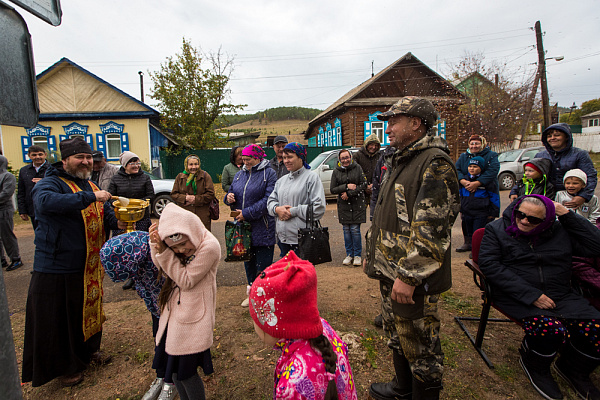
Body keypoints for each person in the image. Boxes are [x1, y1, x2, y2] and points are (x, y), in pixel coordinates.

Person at [363, 96, 460, 400]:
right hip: (393, 269)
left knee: (421, 344)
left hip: (412, 277)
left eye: (394, 121)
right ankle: (403, 388)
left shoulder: (434, 163)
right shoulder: (402, 157)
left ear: (415, 124)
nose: (387, 128)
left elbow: (433, 229)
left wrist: (409, 276)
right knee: (397, 332)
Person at [22, 137, 125, 387]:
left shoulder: (88, 183)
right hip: (56, 264)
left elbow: (105, 214)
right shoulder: (50, 183)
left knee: (86, 310)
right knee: (60, 318)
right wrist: (90, 197)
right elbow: (45, 204)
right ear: (65, 160)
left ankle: (89, 351)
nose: (86, 161)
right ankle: (65, 367)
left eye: (88, 157)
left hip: (88, 264)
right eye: (80, 157)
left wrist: (119, 221)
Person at [478, 195, 600, 400]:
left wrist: (567, 214)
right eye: (520, 215)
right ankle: (536, 365)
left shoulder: (561, 231)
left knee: (595, 328)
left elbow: (595, 246)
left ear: (549, 220)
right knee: (549, 329)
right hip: (516, 294)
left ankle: (574, 368)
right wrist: (531, 295)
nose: (525, 221)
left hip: (560, 293)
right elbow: (490, 265)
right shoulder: (497, 229)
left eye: (534, 219)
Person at [249, 251, 358, 400]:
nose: (253, 323)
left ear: (273, 326)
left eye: (254, 317)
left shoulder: (293, 387)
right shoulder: (323, 328)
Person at [149, 203, 220, 400]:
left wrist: (165, 253)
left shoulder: (209, 247)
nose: (181, 251)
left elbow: (186, 281)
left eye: (183, 245)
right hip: (175, 317)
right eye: (174, 248)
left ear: (191, 231)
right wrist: (156, 246)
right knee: (173, 373)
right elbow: (163, 269)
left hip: (193, 319)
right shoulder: (177, 247)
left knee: (186, 374)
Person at [99, 231, 175, 400]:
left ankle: (171, 380)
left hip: (172, 303)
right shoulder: (128, 258)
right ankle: (161, 376)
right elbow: (145, 287)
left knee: (172, 339)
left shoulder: (155, 258)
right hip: (157, 303)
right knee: (159, 335)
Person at [224, 144, 277, 307]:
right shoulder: (240, 174)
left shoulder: (269, 174)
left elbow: (268, 200)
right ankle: (252, 294)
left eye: (248, 160)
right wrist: (229, 198)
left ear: (258, 158)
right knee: (248, 261)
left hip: (263, 226)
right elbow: (231, 192)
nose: (244, 163)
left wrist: (246, 213)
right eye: (243, 160)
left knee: (263, 265)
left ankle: (264, 296)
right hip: (243, 227)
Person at [267, 142, 326, 256]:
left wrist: (293, 211)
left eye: (290, 157)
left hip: (302, 239)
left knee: (301, 274)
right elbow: (270, 202)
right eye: (284, 158)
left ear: (301, 158)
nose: (286, 161)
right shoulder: (281, 181)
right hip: (283, 240)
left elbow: (318, 208)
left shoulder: (312, 178)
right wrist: (277, 209)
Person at [536, 122, 597, 209]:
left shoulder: (580, 154)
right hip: (547, 200)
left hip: (571, 201)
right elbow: (529, 176)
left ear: (566, 137)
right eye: (549, 136)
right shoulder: (540, 156)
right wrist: (514, 191)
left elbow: (591, 176)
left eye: (557, 135)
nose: (552, 138)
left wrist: (583, 196)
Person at [455, 134, 500, 252]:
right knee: (466, 220)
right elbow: (457, 169)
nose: (474, 146)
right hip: (466, 192)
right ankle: (468, 243)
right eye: (472, 143)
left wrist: (478, 183)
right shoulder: (464, 156)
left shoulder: (491, 156)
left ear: (482, 144)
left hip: (484, 191)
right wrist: (463, 181)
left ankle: (480, 247)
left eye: (477, 143)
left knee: (482, 223)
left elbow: (492, 171)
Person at [330, 149, 367, 267]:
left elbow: (363, 185)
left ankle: (357, 255)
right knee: (346, 230)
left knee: (355, 230)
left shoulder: (358, 168)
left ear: (350, 157)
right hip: (344, 205)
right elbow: (333, 189)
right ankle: (349, 254)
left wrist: (349, 193)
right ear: (339, 160)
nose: (345, 160)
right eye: (343, 158)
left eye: (347, 157)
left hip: (357, 204)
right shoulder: (336, 172)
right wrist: (346, 186)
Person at [108, 151, 155, 234]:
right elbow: (111, 196)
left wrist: (137, 204)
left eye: (138, 163)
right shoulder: (116, 178)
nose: (136, 166)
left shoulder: (145, 178)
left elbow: (150, 195)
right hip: (123, 218)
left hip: (141, 218)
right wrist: (120, 204)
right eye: (132, 164)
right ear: (125, 165)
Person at [171, 154, 216, 232]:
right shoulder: (180, 177)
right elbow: (174, 194)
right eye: (191, 164)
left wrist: (195, 199)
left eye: (196, 164)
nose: (194, 167)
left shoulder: (205, 176)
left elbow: (210, 194)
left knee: (203, 238)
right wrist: (185, 198)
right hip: (185, 215)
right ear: (186, 165)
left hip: (202, 215)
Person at [17, 145, 49, 229]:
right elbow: (21, 191)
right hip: (33, 209)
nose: (37, 157)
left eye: (40, 154)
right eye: (34, 155)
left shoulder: (52, 169)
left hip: (49, 208)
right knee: (38, 235)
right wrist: (22, 210)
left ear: (45, 155)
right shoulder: (24, 171)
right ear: (29, 156)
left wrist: (44, 182)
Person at [0, 155, 23, 272]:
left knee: (7, 235)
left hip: (3, 209)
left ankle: (15, 258)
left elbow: (6, 193)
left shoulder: (7, 176)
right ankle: (2, 259)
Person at [354, 132, 381, 203]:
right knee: (361, 213)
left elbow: (382, 173)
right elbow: (355, 174)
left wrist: (374, 185)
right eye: (371, 145)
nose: (374, 147)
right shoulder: (357, 156)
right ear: (366, 145)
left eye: (376, 145)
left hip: (376, 191)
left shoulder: (380, 156)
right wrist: (365, 186)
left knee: (376, 213)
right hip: (361, 191)